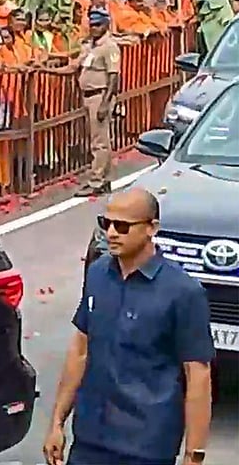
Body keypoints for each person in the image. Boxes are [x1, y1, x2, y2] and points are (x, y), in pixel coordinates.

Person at [43, 188, 212, 465]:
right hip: (89, 442)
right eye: (105, 223)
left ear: (151, 228)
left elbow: (198, 376)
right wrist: (57, 423)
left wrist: (194, 456)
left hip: (146, 448)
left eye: (122, 226)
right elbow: (80, 350)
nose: (111, 233)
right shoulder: (97, 274)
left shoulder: (183, 292)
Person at [59, 8, 121, 196]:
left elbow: (113, 77)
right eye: (91, 25)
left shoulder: (109, 47)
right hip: (88, 96)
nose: (94, 28)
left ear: (106, 25)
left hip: (99, 96)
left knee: (99, 142)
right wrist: (44, 68)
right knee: (99, 139)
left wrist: (105, 103)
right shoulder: (90, 46)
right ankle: (103, 179)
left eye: (98, 25)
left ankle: (97, 181)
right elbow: (73, 67)